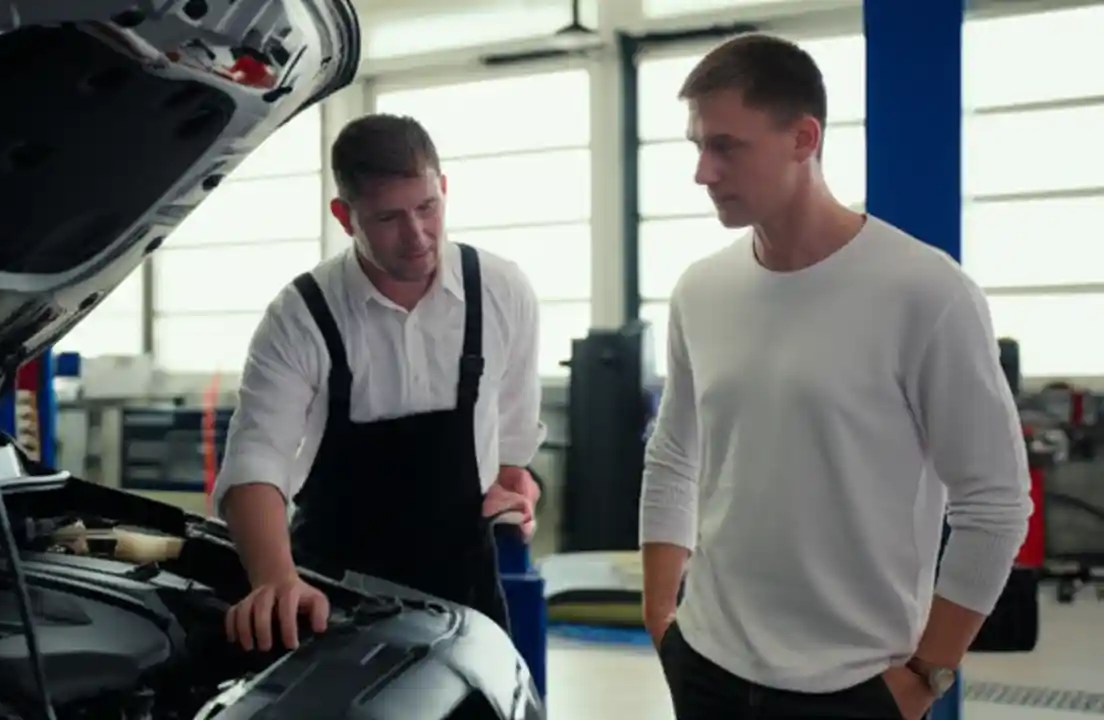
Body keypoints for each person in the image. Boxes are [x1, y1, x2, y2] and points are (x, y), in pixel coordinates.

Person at [639, 33, 1033, 720]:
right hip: (706, 665)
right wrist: (660, 616)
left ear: (803, 138)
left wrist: (925, 677)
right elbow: (674, 455)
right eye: (696, 145)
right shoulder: (701, 290)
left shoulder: (924, 292)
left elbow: (996, 504)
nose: (704, 171)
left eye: (726, 145)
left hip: (857, 686)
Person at [213, 113, 546, 653]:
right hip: (332, 597)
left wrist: (514, 492)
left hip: (466, 600)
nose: (416, 236)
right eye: (389, 217)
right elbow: (255, 461)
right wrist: (275, 579)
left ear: (443, 188)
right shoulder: (301, 316)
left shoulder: (502, 292)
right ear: (345, 217)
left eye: (428, 207)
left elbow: (511, 452)